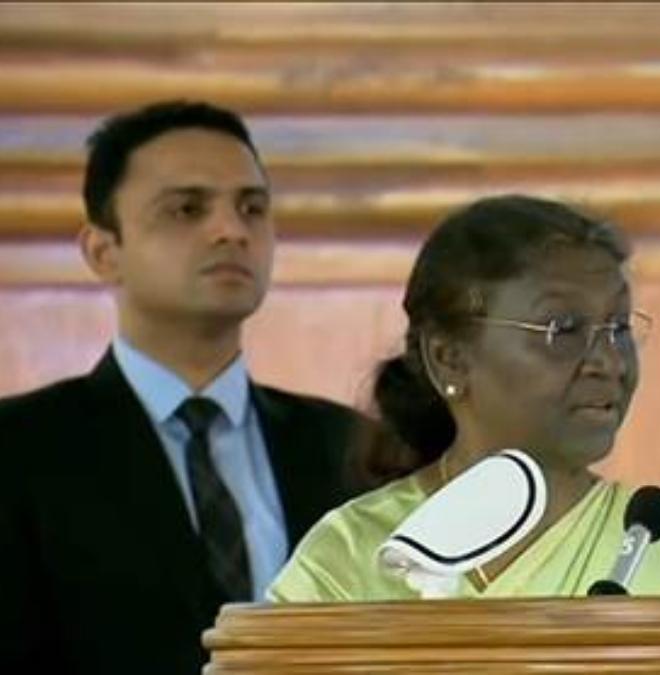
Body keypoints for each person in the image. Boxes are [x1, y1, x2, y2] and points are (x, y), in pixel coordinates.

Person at [268, 194, 660, 603]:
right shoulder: (351, 560)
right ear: (450, 358)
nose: (608, 362)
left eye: (619, 328)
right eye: (562, 329)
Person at [0, 101, 389, 674]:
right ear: (104, 252)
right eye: (187, 208)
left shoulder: (354, 448)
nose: (232, 231)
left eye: (252, 208)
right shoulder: (20, 449)